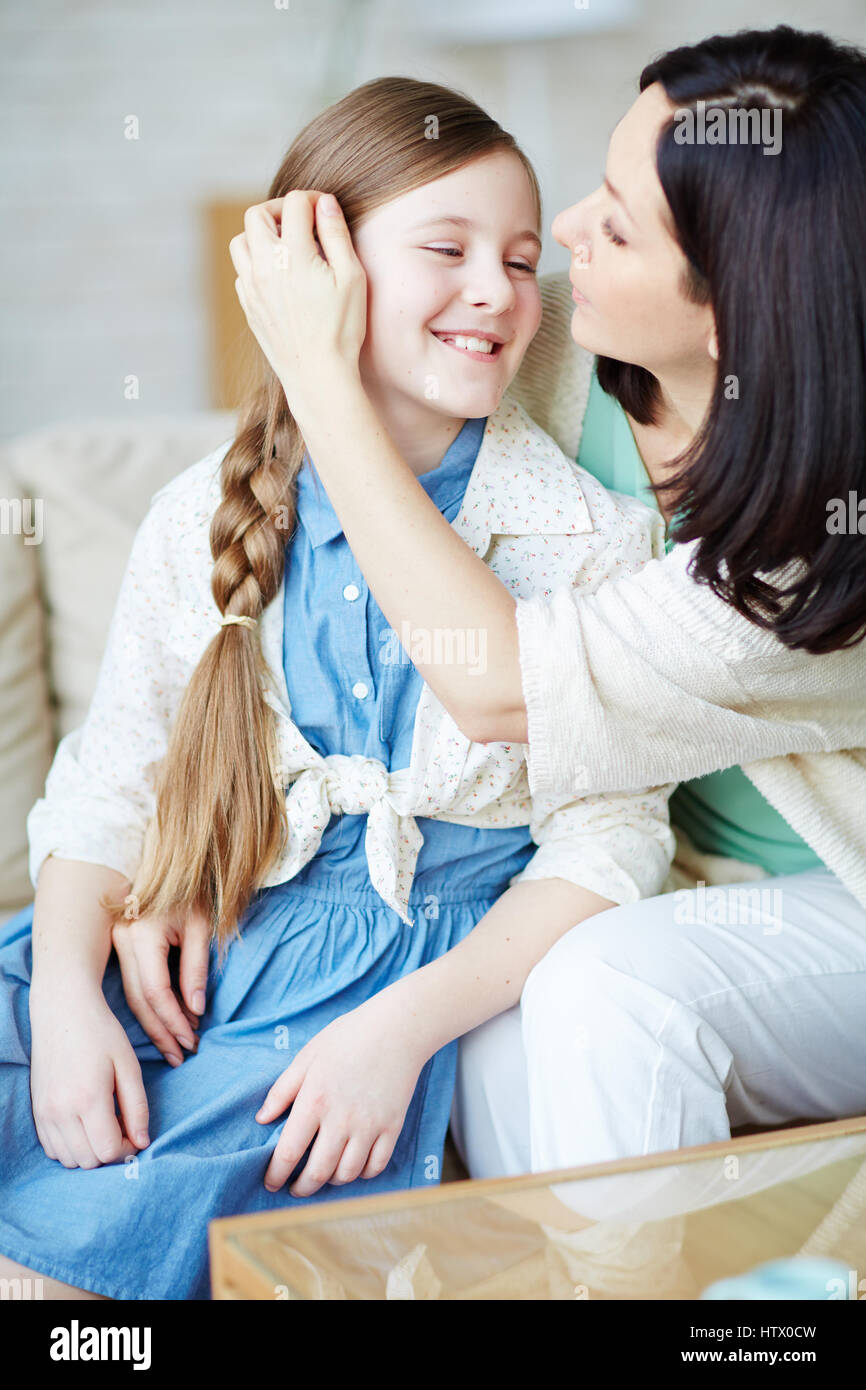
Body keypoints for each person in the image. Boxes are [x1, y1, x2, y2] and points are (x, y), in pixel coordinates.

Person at [0, 77, 676, 1300]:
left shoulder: (581, 537)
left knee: (87, 1243)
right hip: (209, 959)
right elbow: (107, 788)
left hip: (375, 992)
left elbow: (612, 843)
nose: (498, 292)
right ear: (320, 273)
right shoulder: (198, 515)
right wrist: (62, 997)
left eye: (523, 261)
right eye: (447, 249)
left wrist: (403, 1028)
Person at [223, 25, 866, 1189]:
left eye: (615, 226)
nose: (562, 237)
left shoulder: (826, 548)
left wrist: (317, 382)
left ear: (734, 315)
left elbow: (500, 683)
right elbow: (396, 314)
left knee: (609, 991)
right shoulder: (558, 332)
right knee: (486, 1055)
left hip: (833, 898)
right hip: (644, 871)